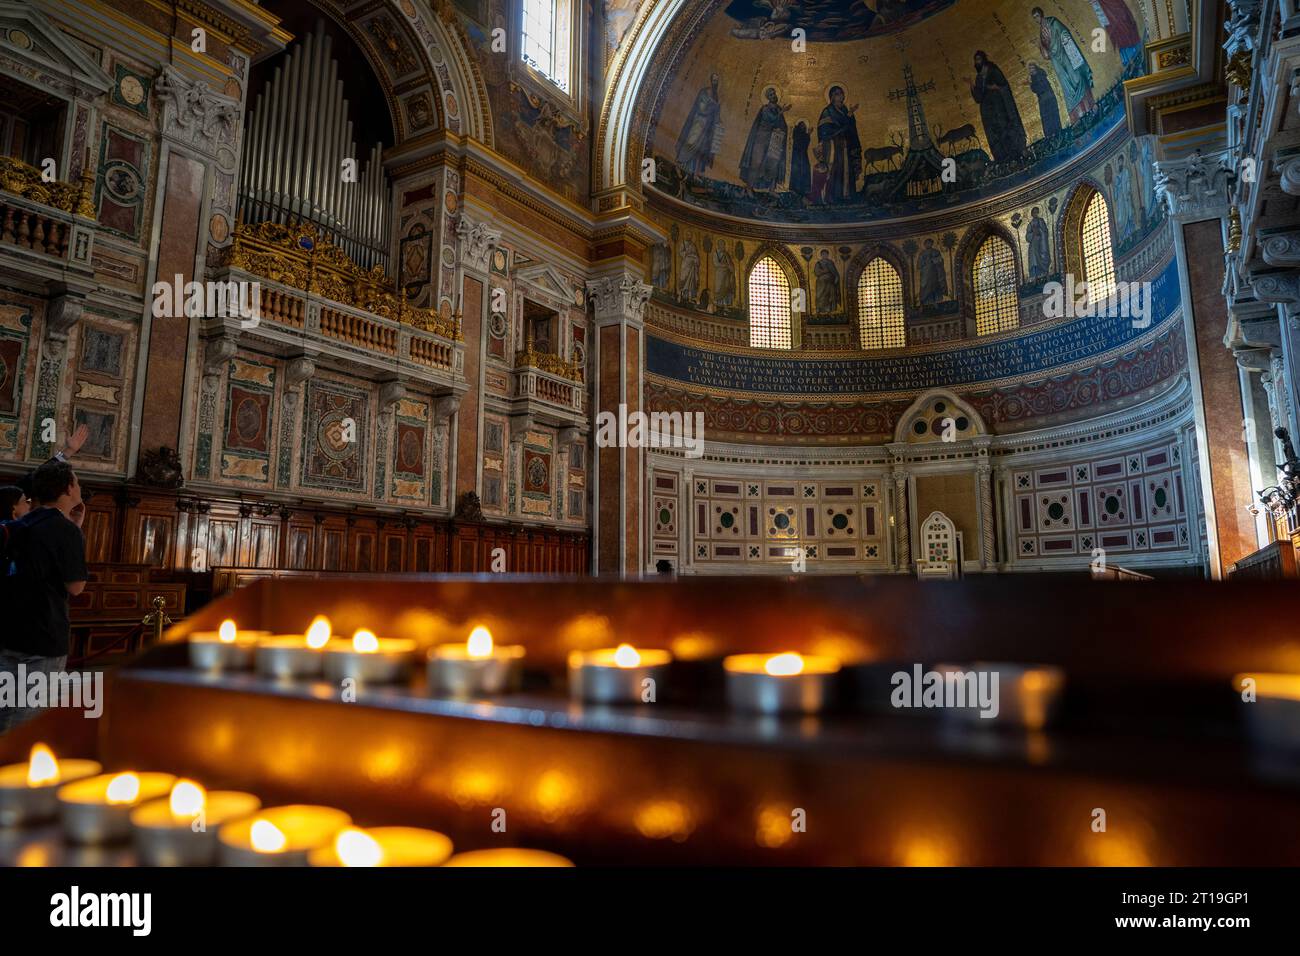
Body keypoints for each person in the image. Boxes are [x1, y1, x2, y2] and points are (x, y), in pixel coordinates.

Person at [0, 460, 88, 734]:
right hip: (44, 634)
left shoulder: (19, 523)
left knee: (4, 713)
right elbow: (76, 587)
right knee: (31, 720)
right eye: (77, 482)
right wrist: (76, 531)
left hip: (9, 630)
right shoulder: (66, 530)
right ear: (68, 488)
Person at [1034, 7, 1094, 124]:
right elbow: (1046, 56)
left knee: (1075, 77)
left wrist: (1063, 45)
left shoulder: (1053, 21)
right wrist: (1040, 45)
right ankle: (1078, 116)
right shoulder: (1041, 33)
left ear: (1041, 14)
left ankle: (1089, 106)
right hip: (1056, 59)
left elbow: (1064, 33)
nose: (1036, 19)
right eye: (1034, 17)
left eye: (1036, 15)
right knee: (1066, 84)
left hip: (1065, 52)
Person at [970, 51, 1027, 163]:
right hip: (988, 112)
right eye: (975, 60)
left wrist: (994, 87)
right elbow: (978, 98)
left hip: (999, 107)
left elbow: (1003, 85)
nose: (977, 62)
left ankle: (1016, 153)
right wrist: (972, 85)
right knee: (994, 133)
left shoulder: (993, 70)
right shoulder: (979, 78)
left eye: (978, 59)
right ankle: (1002, 158)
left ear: (983, 59)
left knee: (1005, 128)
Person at [817, 86, 861, 203]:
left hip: (846, 147)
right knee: (835, 170)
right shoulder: (828, 111)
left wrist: (850, 116)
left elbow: (851, 129)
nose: (841, 96)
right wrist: (840, 129)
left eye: (842, 94)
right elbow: (824, 130)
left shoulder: (846, 110)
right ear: (831, 97)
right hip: (833, 147)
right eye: (837, 94)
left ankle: (847, 196)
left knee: (847, 170)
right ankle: (832, 197)